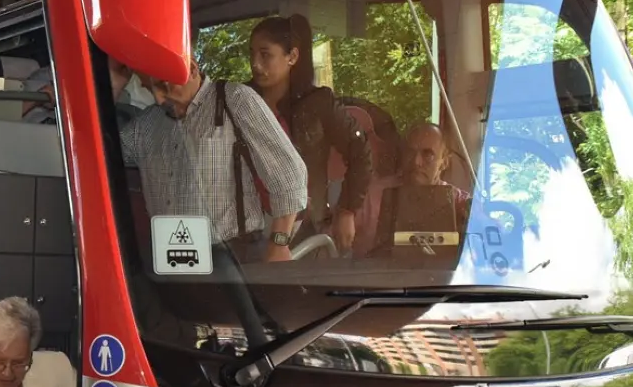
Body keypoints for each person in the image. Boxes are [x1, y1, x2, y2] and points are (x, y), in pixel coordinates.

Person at [110, 53, 306, 261]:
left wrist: (279, 243)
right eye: (148, 88)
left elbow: (289, 175)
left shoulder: (234, 100)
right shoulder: (146, 125)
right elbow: (100, 154)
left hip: (232, 254)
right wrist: (114, 84)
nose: (158, 98)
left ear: (191, 68)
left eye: (163, 85)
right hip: (173, 257)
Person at [247, 14, 375, 254]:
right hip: (247, 230)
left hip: (304, 228)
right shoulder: (241, 100)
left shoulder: (318, 103)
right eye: (251, 53)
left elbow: (360, 151)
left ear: (292, 57)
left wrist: (347, 210)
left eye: (265, 55)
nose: (255, 63)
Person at [375, 121, 473, 260]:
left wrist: (475, 223)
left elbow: (489, 234)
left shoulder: (459, 202)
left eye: (428, 154)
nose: (416, 161)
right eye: (410, 152)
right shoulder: (375, 195)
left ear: (444, 162)